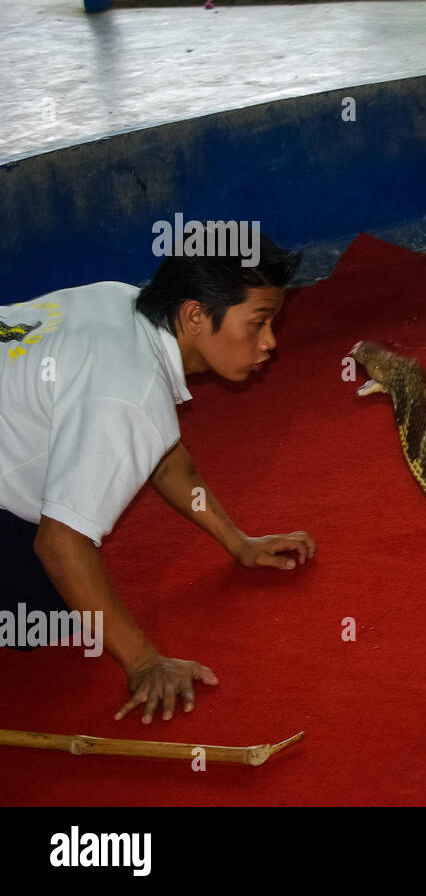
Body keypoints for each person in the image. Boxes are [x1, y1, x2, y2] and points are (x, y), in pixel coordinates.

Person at [0, 235, 316, 725]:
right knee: (39, 614)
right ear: (194, 316)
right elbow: (60, 544)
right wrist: (145, 662)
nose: (270, 341)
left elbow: (164, 458)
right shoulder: (129, 391)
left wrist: (237, 543)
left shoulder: (122, 300)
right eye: (257, 324)